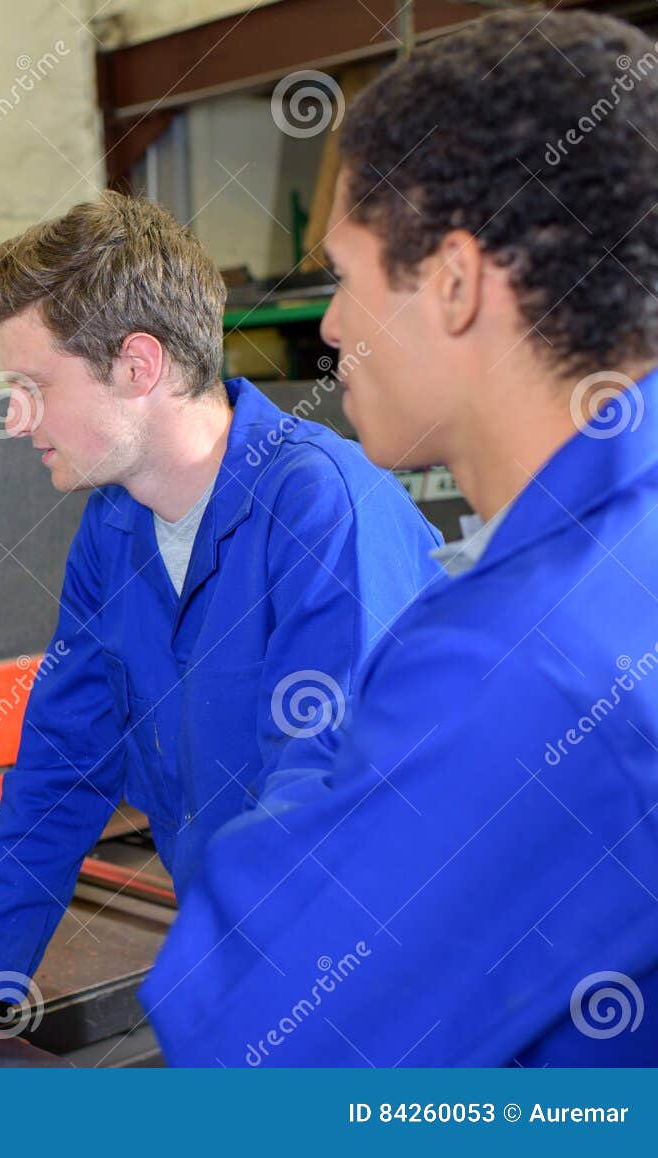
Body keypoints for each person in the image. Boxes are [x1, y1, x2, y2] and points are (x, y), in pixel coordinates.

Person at [144, 8, 658, 1065]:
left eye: (344, 272)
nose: (328, 325)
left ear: (456, 283)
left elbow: (247, 1040)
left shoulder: (524, 668)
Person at [0, 192, 441, 1067]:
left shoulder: (322, 507)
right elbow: (63, 765)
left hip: (386, 995)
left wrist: (216, 987)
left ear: (137, 365)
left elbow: (320, 786)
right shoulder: (115, 527)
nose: (16, 419)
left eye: (33, 387)